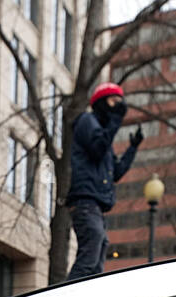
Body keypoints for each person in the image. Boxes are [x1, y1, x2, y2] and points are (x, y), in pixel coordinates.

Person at [65, 82, 144, 280]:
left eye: (120, 103)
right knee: (89, 258)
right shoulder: (87, 121)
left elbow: (116, 172)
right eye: (113, 102)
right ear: (101, 103)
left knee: (98, 259)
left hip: (96, 206)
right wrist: (116, 119)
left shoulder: (103, 135)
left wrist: (132, 148)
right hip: (85, 202)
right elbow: (97, 147)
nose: (118, 107)